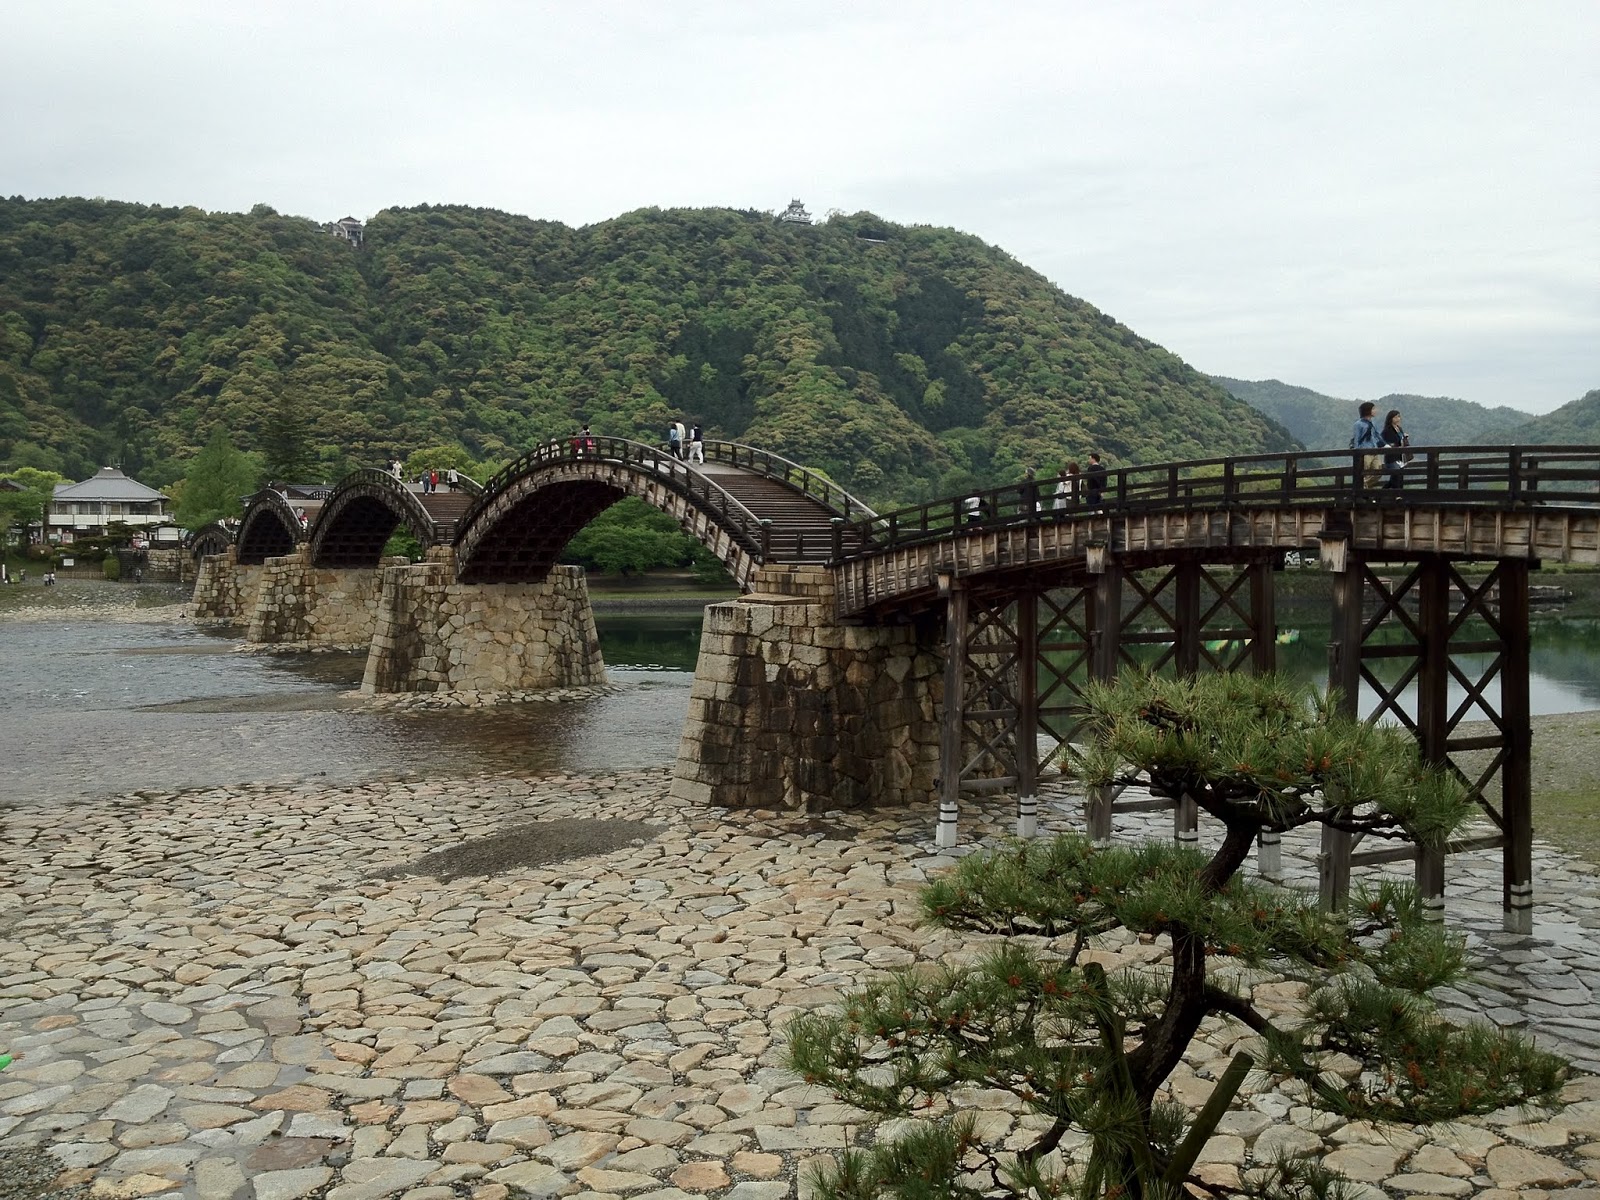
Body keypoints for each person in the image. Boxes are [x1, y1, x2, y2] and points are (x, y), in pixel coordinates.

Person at [1350, 400, 1384, 489]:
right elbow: (1357, 438)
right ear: (1367, 410)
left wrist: (1384, 444)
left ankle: (1364, 486)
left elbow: (1377, 435)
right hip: (1364, 451)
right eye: (1373, 409)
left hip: (1374, 450)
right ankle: (1364, 492)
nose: (1375, 411)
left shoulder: (1373, 423)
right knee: (1365, 472)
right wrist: (1357, 452)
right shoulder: (1358, 424)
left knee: (1378, 472)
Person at [1380, 408, 1410, 490]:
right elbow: (1384, 441)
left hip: (1400, 457)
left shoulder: (1399, 429)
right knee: (1396, 476)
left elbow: (1400, 440)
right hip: (1391, 457)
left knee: (1397, 477)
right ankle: (1397, 495)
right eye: (1395, 417)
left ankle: (1380, 495)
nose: (1398, 419)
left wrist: (1404, 438)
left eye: (1399, 417)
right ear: (1391, 418)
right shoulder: (1387, 430)